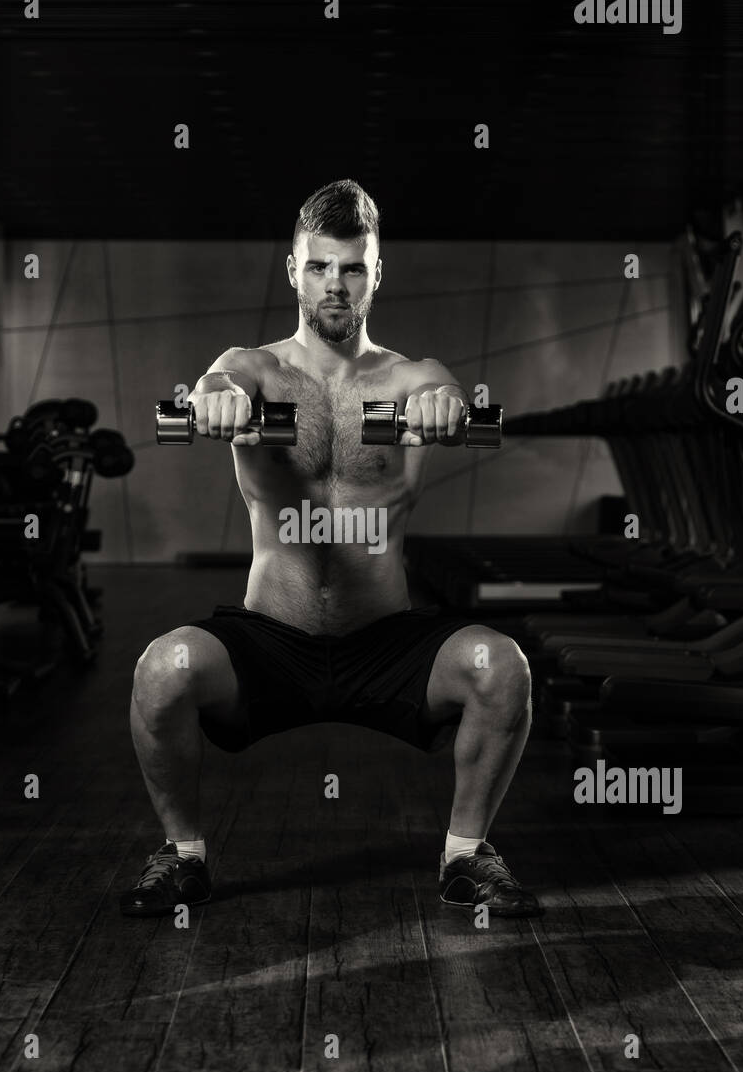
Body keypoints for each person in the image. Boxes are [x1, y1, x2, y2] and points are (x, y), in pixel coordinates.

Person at [122, 179, 540, 919]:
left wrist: (444, 408)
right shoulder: (253, 368)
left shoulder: (410, 377)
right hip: (270, 638)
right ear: (293, 272)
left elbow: (449, 396)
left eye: (351, 268)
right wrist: (214, 398)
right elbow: (219, 380)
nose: (334, 285)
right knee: (162, 670)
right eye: (318, 267)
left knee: (500, 667)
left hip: (384, 637)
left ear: (377, 273)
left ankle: (466, 855)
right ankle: (180, 856)